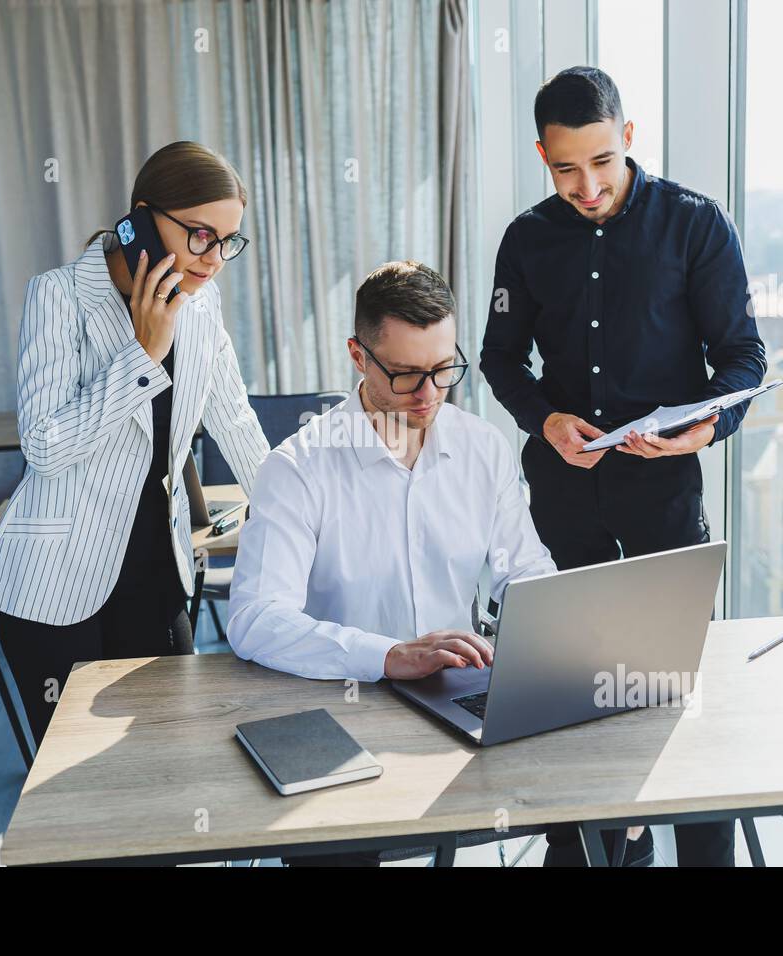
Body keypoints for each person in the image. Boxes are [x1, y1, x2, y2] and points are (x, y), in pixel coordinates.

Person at [480, 66, 767, 867]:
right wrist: (544, 419)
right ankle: (593, 852)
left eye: (602, 161)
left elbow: (743, 357)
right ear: (543, 155)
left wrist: (703, 431)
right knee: (570, 701)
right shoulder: (527, 237)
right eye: (566, 167)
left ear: (629, 138)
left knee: (681, 701)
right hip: (561, 501)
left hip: (664, 501)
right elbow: (499, 359)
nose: (587, 184)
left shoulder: (696, 225)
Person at [227, 260, 559, 866]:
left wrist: (557, 626)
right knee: (335, 850)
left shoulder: (482, 448)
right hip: (338, 708)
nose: (430, 394)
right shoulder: (297, 469)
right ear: (359, 356)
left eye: (443, 370)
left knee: (602, 808)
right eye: (406, 375)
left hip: (459, 702)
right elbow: (254, 619)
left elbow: (524, 573)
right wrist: (387, 655)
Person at [0, 141, 270, 747]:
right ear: (141, 217)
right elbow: (45, 447)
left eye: (228, 241)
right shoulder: (58, 296)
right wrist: (142, 354)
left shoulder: (201, 300)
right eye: (200, 235)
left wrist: (302, 514)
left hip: (159, 569)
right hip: (54, 583)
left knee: (171, 757)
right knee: (74, 786)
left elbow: (234, 420)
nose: (214, 260)